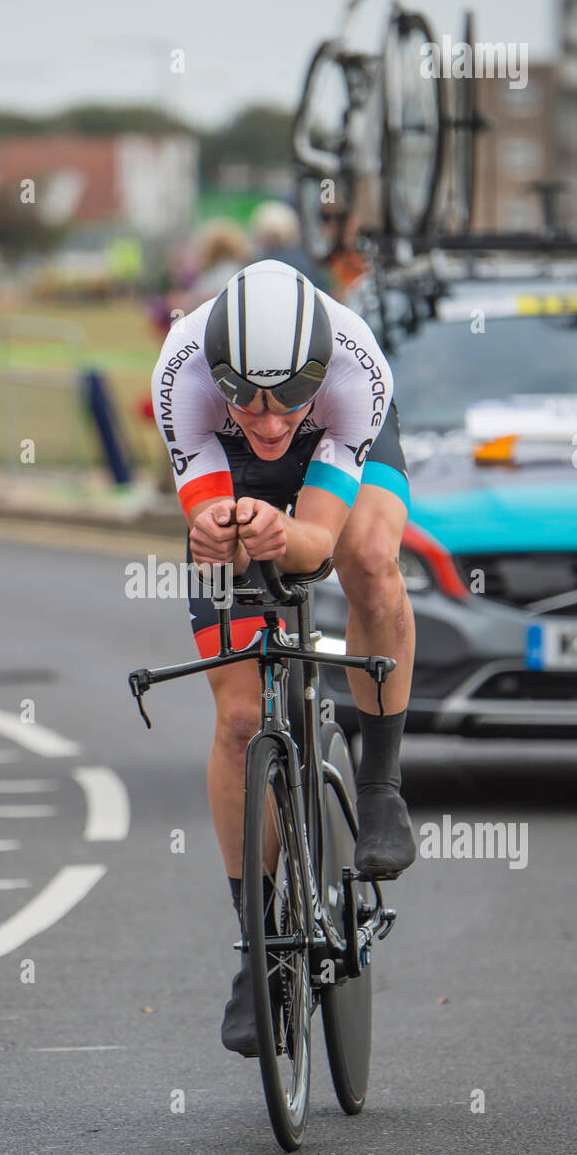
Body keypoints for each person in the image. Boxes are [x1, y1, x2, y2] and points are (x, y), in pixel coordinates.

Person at [151, 258, 416, 1057]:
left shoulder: (354, 365)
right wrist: (218, 532)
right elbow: (210, 524)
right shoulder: (181, 369)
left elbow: (319, 545)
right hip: (232, 478)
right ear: (218, 376)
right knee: (237, 720)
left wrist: (286, 535)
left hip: (337, 469)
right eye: (248, 399)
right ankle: (255, 947)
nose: (268, 421)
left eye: (286, 399)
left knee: (369, 558)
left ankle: (379, 787)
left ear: (317, 373)